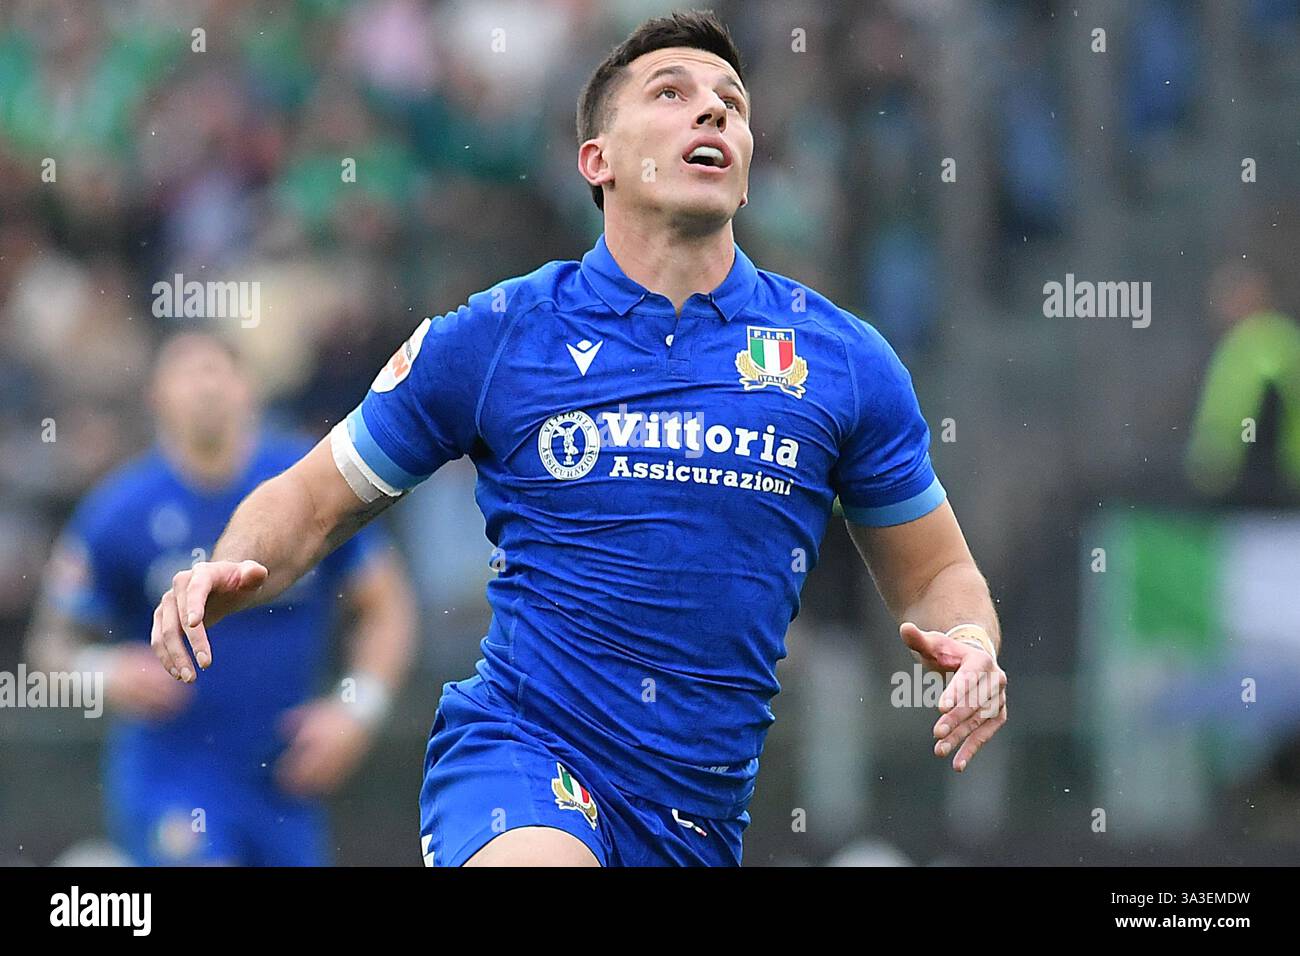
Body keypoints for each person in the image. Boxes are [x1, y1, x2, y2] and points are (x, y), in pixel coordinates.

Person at [149, 11, 1006, 867]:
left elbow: (934, 573)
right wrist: (229, 562)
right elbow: (308, 504)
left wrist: (969, 644)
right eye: (671, 94)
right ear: (597, 161)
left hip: (696, 817)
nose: (712, 113)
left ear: (746, 172)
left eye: (732, 104)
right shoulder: (493, 337)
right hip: (520, 757)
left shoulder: (843, 361)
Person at [27, 331, 416, 865]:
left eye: (218, 370)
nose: (205, 387)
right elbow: (50, 643)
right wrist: (104, 670)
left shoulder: (300, 491)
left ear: (248, 388)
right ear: (155, 396)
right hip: (174, 777)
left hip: (285, 778)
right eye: (187, 373)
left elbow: (385, 607)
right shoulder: (118, 509)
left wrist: (356, 711)